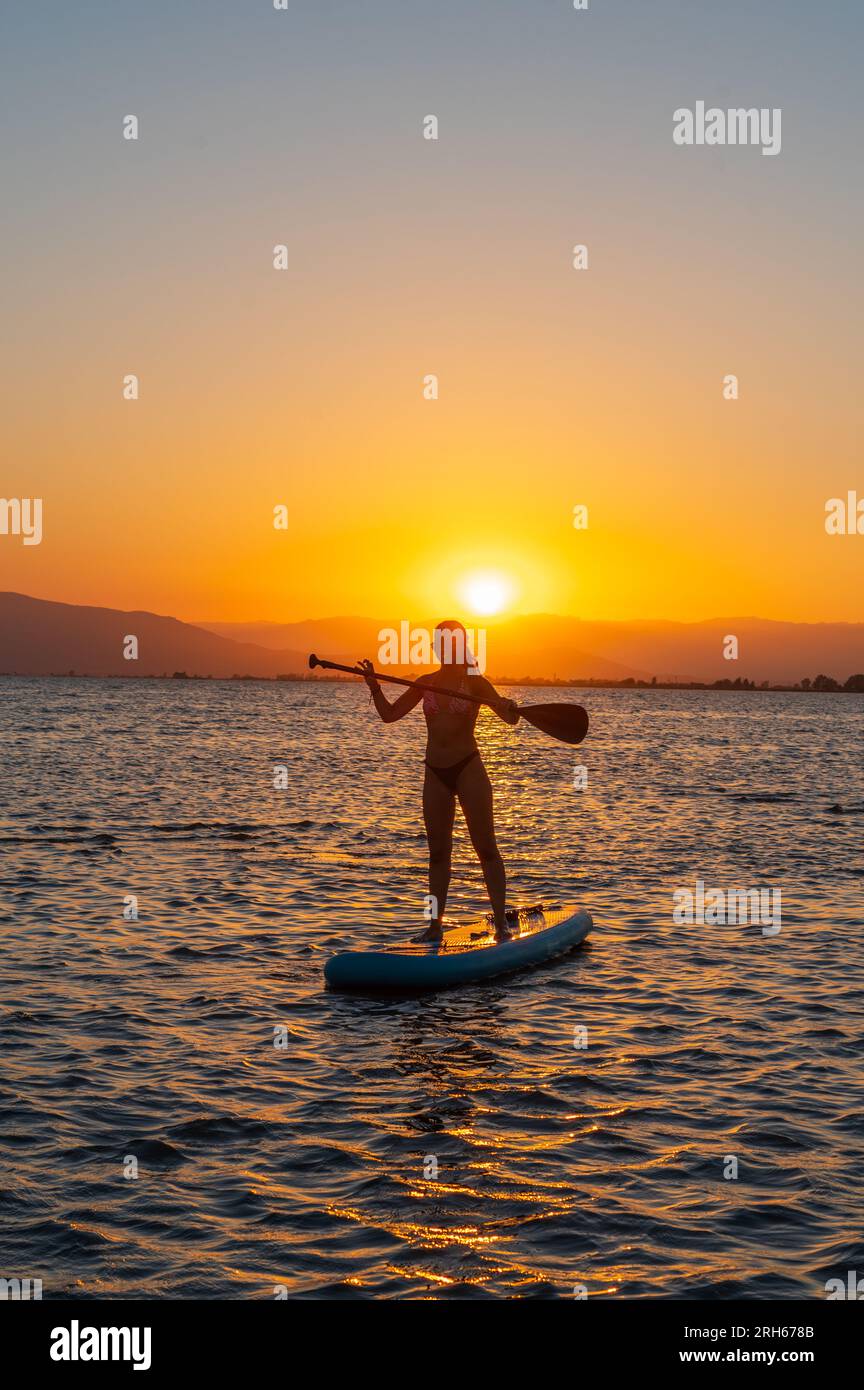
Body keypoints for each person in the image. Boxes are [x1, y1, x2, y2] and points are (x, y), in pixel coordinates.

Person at [359, 620, 519, 941]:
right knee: (437, 855)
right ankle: (434, 925)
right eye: (439, 641)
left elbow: (511, 718)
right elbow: (390, 715)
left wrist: (509, 706)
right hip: (434, 772)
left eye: (450, 641)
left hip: (468, 767)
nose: (443, 647)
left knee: (486, 849)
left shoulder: (476, 683)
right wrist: (374, 685)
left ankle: (501, 924)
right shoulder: (427, 682)